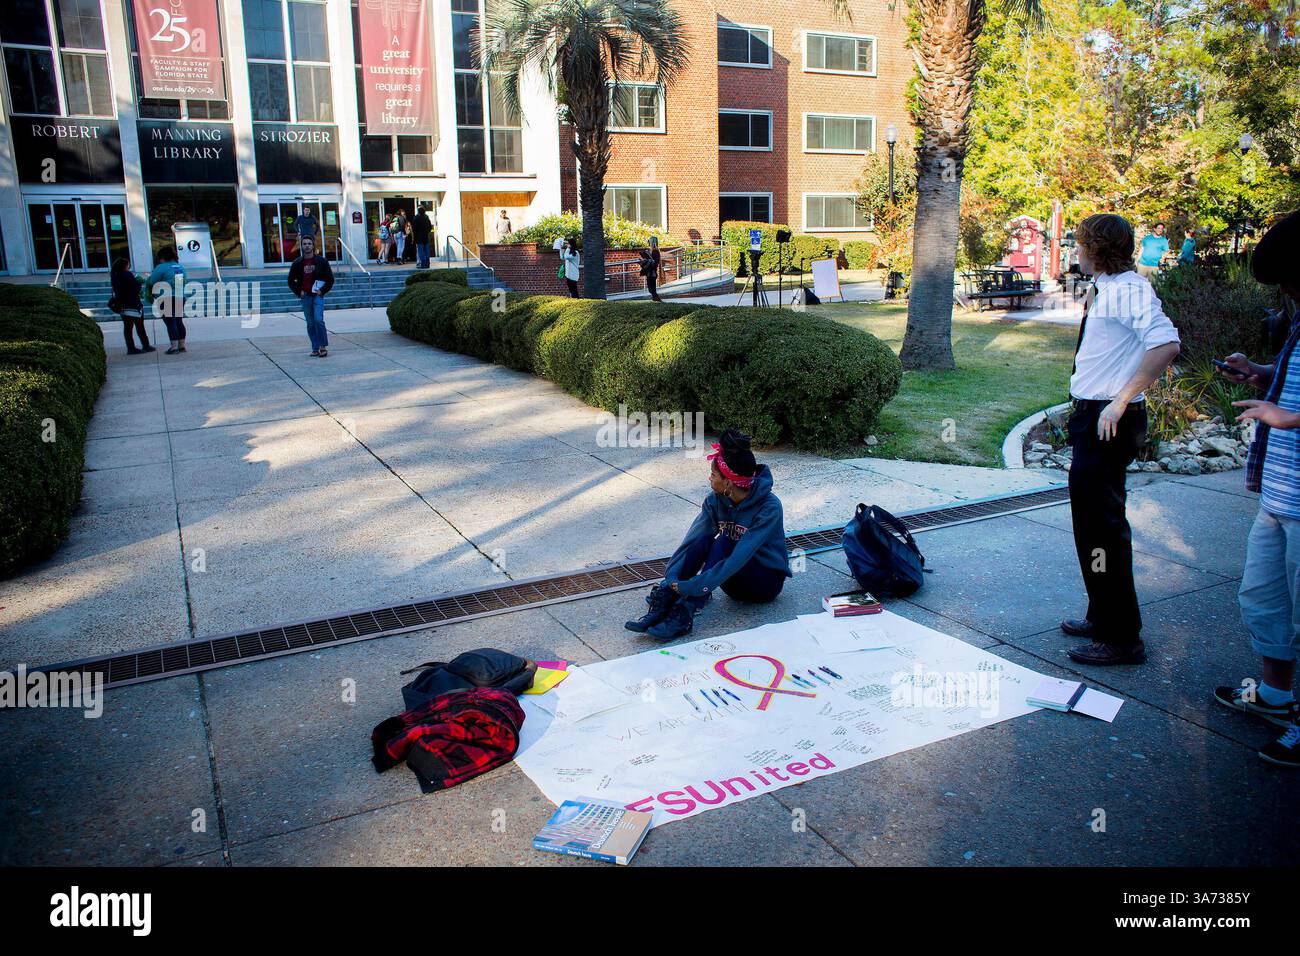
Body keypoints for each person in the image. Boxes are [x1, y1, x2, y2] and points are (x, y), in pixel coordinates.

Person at [1060, 213, 1181, 665]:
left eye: (1080, 244)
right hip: (1093, 417)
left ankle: (1122, 638)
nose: (1076, 251)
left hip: (1109, 419)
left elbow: (1166, 344)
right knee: (1089, 524)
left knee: (1105, 529)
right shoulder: (1108, 287)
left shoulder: (1128, 289)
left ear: (1098, 248)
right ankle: (1101, 613)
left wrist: (1120, 400)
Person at [1214, 210, 1300, 768]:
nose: (1288, 293)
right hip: (1279, 493)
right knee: (1264, 598)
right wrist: (1263, 373)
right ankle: (1274, 696)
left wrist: (1287, 417)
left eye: (1291, 281)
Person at [625, 429, 790, 640]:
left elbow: (740, 556)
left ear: (728, 482)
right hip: (730, 581)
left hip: (763, 584)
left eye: (713, 475)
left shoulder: (770, 507)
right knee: (704, 539)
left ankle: (685, 612)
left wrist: (695, 586)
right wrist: (673, 578)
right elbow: (692, 541)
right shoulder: (715, 500)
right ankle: (667, 601)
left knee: (725, 541)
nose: (709, 478)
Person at [288, 235, 335, 358]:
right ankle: (315, 348)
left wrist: (322, 290)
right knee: (310, 323)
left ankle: (322, 346)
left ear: (313, 245)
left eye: (309, 243)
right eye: (304, 244)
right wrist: (299, 292)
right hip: (306, 297)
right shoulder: (297, 263)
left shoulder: (321, 261)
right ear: (301, 246)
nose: (307, 246)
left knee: (318, 320)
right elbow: (290, 280)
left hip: (317, 296)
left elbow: (330, 279)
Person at [146, 245, 187, 354]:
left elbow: (152, 281)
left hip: (165, 298)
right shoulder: (178, 267)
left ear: (161, 257)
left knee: (170, 322)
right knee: (179, 321)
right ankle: (182, 346)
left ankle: (173, 347)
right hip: (179, 297)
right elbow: (182, 281)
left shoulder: (160, 267)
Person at [110, 257, 154, 355]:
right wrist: (139, 282)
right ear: (125, 266)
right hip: (133, 304)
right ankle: (146, 345)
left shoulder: (114, 276)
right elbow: (136, 288)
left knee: (127, 328)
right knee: (140, 326)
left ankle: (130, 347)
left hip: (122, 305)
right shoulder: (128, 275)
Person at [641, 235, 663, 301]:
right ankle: (655, 299)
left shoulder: (655, 251)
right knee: (651, 288)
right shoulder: (651, 251)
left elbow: (655, 262)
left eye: (649, 241)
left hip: (652, 272)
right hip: (650, 272)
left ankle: (657, 299)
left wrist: (648, 260)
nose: (648, 243)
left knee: (652, 289)